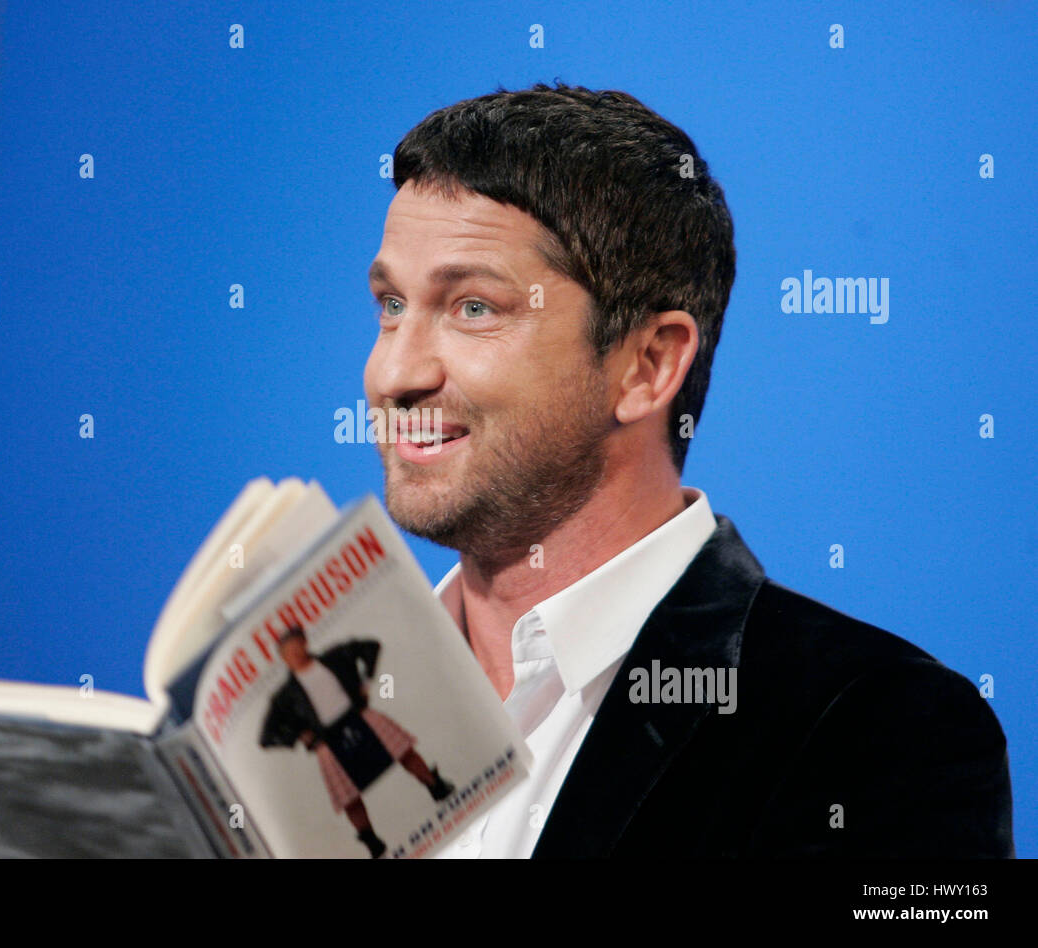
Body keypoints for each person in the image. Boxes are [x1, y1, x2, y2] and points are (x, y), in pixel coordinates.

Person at [362, 82, 1013, 858]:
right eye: (392, 305)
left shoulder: (881, 731)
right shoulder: (328, 711)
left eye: (473, 308)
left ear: (647, 364)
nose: (392, 373)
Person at [258, 624, 454, 858]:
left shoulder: (335, 657)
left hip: (359, 716)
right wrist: (299, 735)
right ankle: (371, 840)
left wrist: (365, 680)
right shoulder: (284, 696)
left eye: (297, 647)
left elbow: (371, 646)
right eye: (288, 653)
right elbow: (266, 736)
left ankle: (435, 785)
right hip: (327, 742)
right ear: (283, 658)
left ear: (305, 643)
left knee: (403, 751)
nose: (295, 654)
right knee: (349, 797)